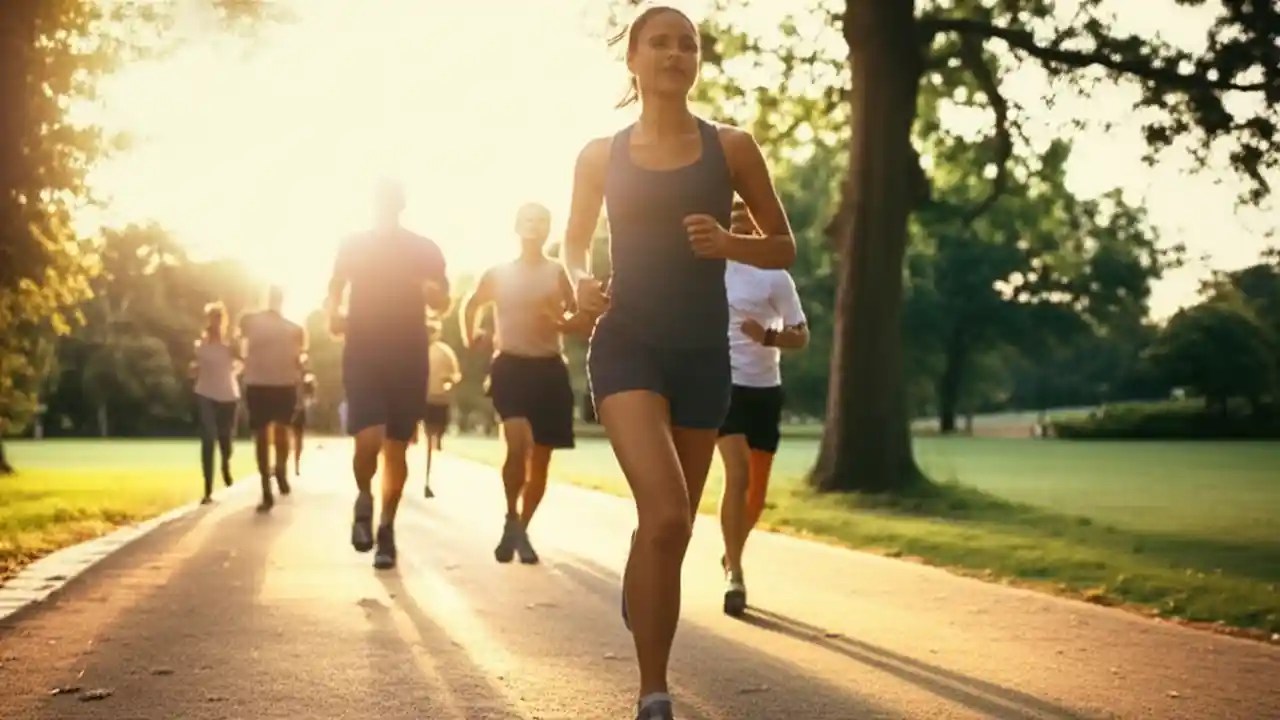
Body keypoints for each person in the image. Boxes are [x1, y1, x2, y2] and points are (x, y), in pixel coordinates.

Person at [561, 7, 796, 719]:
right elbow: (573, 244)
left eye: (687, 44)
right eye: (659, 43)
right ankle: (653, 693)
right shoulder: (601, 155)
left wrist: (730, 241)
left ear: (697, 62)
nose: (674, 53)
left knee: (671, 529)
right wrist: (578, 279)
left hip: (704, 356)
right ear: (631, 59)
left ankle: (647, 589)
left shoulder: (732, 148)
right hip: (628, 340)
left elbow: (782, 247)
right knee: (665, 514)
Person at [326, 178, 450, 570]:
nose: (385, 204)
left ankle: (386, 528)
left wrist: (433, 294)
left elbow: (444, 299)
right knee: (369, 436)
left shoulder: (424, 249)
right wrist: (332, 313)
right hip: (363, 350)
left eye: (390, 198)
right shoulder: (353, 245)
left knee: (396, 446)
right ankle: (364, 496)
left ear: (400, 203)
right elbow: (334, 287)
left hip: (409, 355)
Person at [461, 202, 588, 565]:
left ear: (549, 230)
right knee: (518, 445)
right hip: (511, 366)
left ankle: (521, 530)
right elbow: (471, 304)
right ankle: (510, 518)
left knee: (541, 459)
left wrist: (561, 322)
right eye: (528, 221)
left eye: (542, 222)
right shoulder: (499, 273)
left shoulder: (557, 273)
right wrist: (472, 336)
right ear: (517, 227)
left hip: (549, 369)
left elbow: (577, 317)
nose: (535, 227)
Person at [717, 198, 809, 617]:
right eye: (729, 222)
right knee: (735, 476)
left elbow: (801, 335)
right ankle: (735, 573)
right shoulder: (708, 271)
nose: (736, 228)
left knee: (756, 494)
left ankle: (731, 550)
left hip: (764, 389)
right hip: (724, 385)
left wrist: (768, 338)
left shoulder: (775, 277)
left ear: (756, 228)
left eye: (744, 221)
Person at [239, 286, 307, 512]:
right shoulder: (254, 322)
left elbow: (299, 360)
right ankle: (269, 483)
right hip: (264, 383)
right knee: (270, 434)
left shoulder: (293, 329)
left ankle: (277, 472)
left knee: (271, 434)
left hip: (276, 384)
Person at [190, 301, 240, 504]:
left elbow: (242, 362)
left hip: (228, 395)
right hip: (205, 394)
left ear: (224, 321)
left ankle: (225, 464)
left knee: (225, 441)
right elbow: (195, 366)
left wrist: (235, 370)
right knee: (208, 439)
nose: (215, 322)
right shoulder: (200, 346)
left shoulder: (230, 346)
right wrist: (193, 370)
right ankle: (208, 489)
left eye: (219, 318)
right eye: (212, 318)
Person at [422, 320, 460, 498]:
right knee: (429, 438)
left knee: (435, 439)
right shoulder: (417, 351)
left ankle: (431, 476)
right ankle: (427, 479)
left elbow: (454, 375)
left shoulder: (444, 352)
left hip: (438, 400)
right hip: (425, 400)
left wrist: (448, 382)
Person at [292, 370, 317, 476]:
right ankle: (292, 465)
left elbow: (311, 396)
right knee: (296, 440)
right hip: (293, 409)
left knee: (298, 440)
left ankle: (296, 464)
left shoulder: (306, 381)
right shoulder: (293, 379)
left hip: (298, 411)